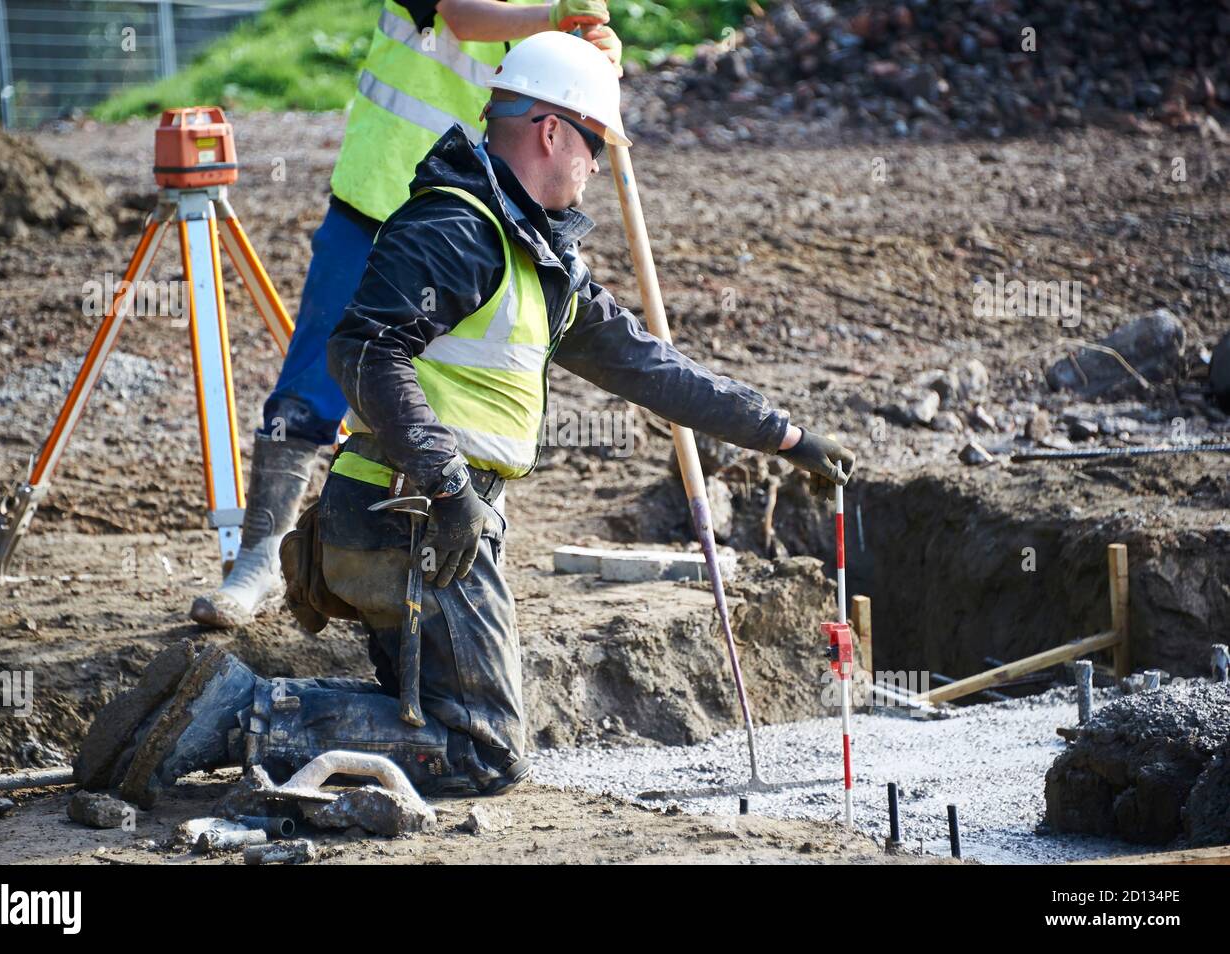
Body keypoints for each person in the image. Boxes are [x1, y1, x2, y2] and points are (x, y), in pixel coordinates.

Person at [81, 31, 854, 806]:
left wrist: (785, 434)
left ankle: (198, 708)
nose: (597, 166)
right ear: (552, 131)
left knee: (436, 722)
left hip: (420, 519)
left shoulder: (538, 259)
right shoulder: (458, 226)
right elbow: (363, 350)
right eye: (594, 144)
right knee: (483, 751)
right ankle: (241, 710)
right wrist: (448, 486)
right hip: (415, 515)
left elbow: (651, 368)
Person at [190, 0, 623, 629]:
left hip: (470, 221)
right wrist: (555, 18)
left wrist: (593, 63)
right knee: (315, 379)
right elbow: (463, 17)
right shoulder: (542, 6)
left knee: (444, 389)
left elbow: (562, 101)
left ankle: (410, 566)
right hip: (375, 195)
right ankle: (258, 557)